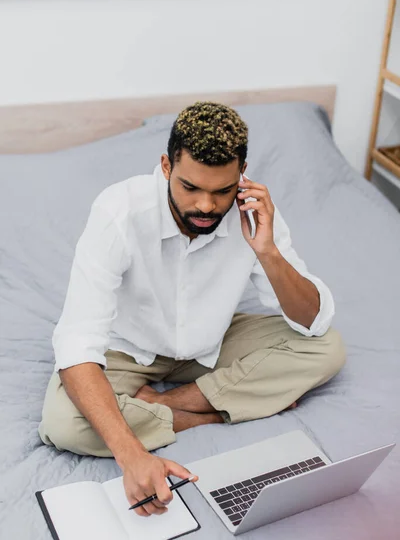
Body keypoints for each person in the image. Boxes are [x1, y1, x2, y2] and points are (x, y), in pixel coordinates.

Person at [39, 102, 346, 517]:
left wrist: (268, 252)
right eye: (191, 188)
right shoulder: (118, 212)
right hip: (129, 350)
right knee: (63, 424)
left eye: (222, 191)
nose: (206, 206)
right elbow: (76, 341)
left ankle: (164, 405)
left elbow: (312, 322)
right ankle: (210, 415)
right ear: (166, 166)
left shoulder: (252, 214)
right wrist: (132, 456)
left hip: (210, 343)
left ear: (242, 174)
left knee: (327, 348)